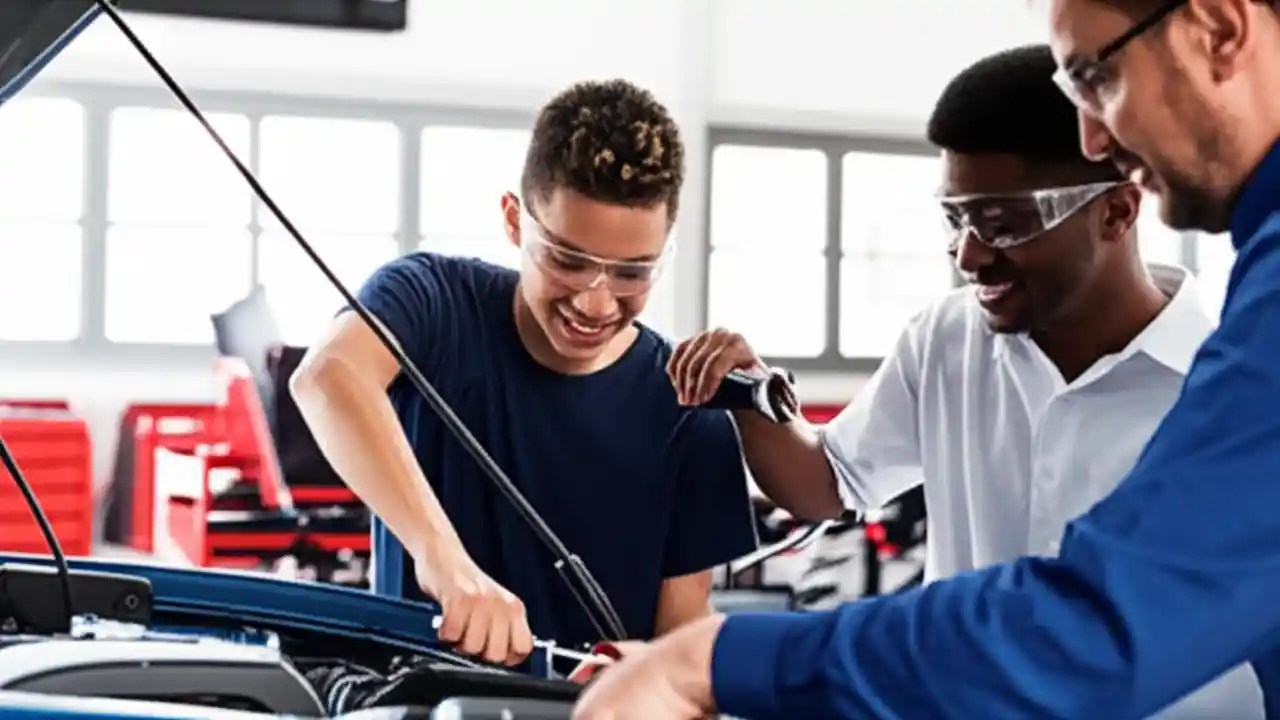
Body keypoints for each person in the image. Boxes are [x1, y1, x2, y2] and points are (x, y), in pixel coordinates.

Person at [572, 1, 1280, 713]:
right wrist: (751, 398)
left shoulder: (1228, 367)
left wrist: (710, 661)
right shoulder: (949, 340)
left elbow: (1095, 627)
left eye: (1101, 78)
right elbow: (831, 479)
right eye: (958, 221)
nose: (1097, 133)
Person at [290, 78, 758, 667]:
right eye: (567, 259)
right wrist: (446, 562)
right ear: (515, 221)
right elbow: (328, 377)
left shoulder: (689, 412)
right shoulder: (432, 302)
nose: (596, 302)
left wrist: (641, 679)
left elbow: (679, 646)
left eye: (631, 273)